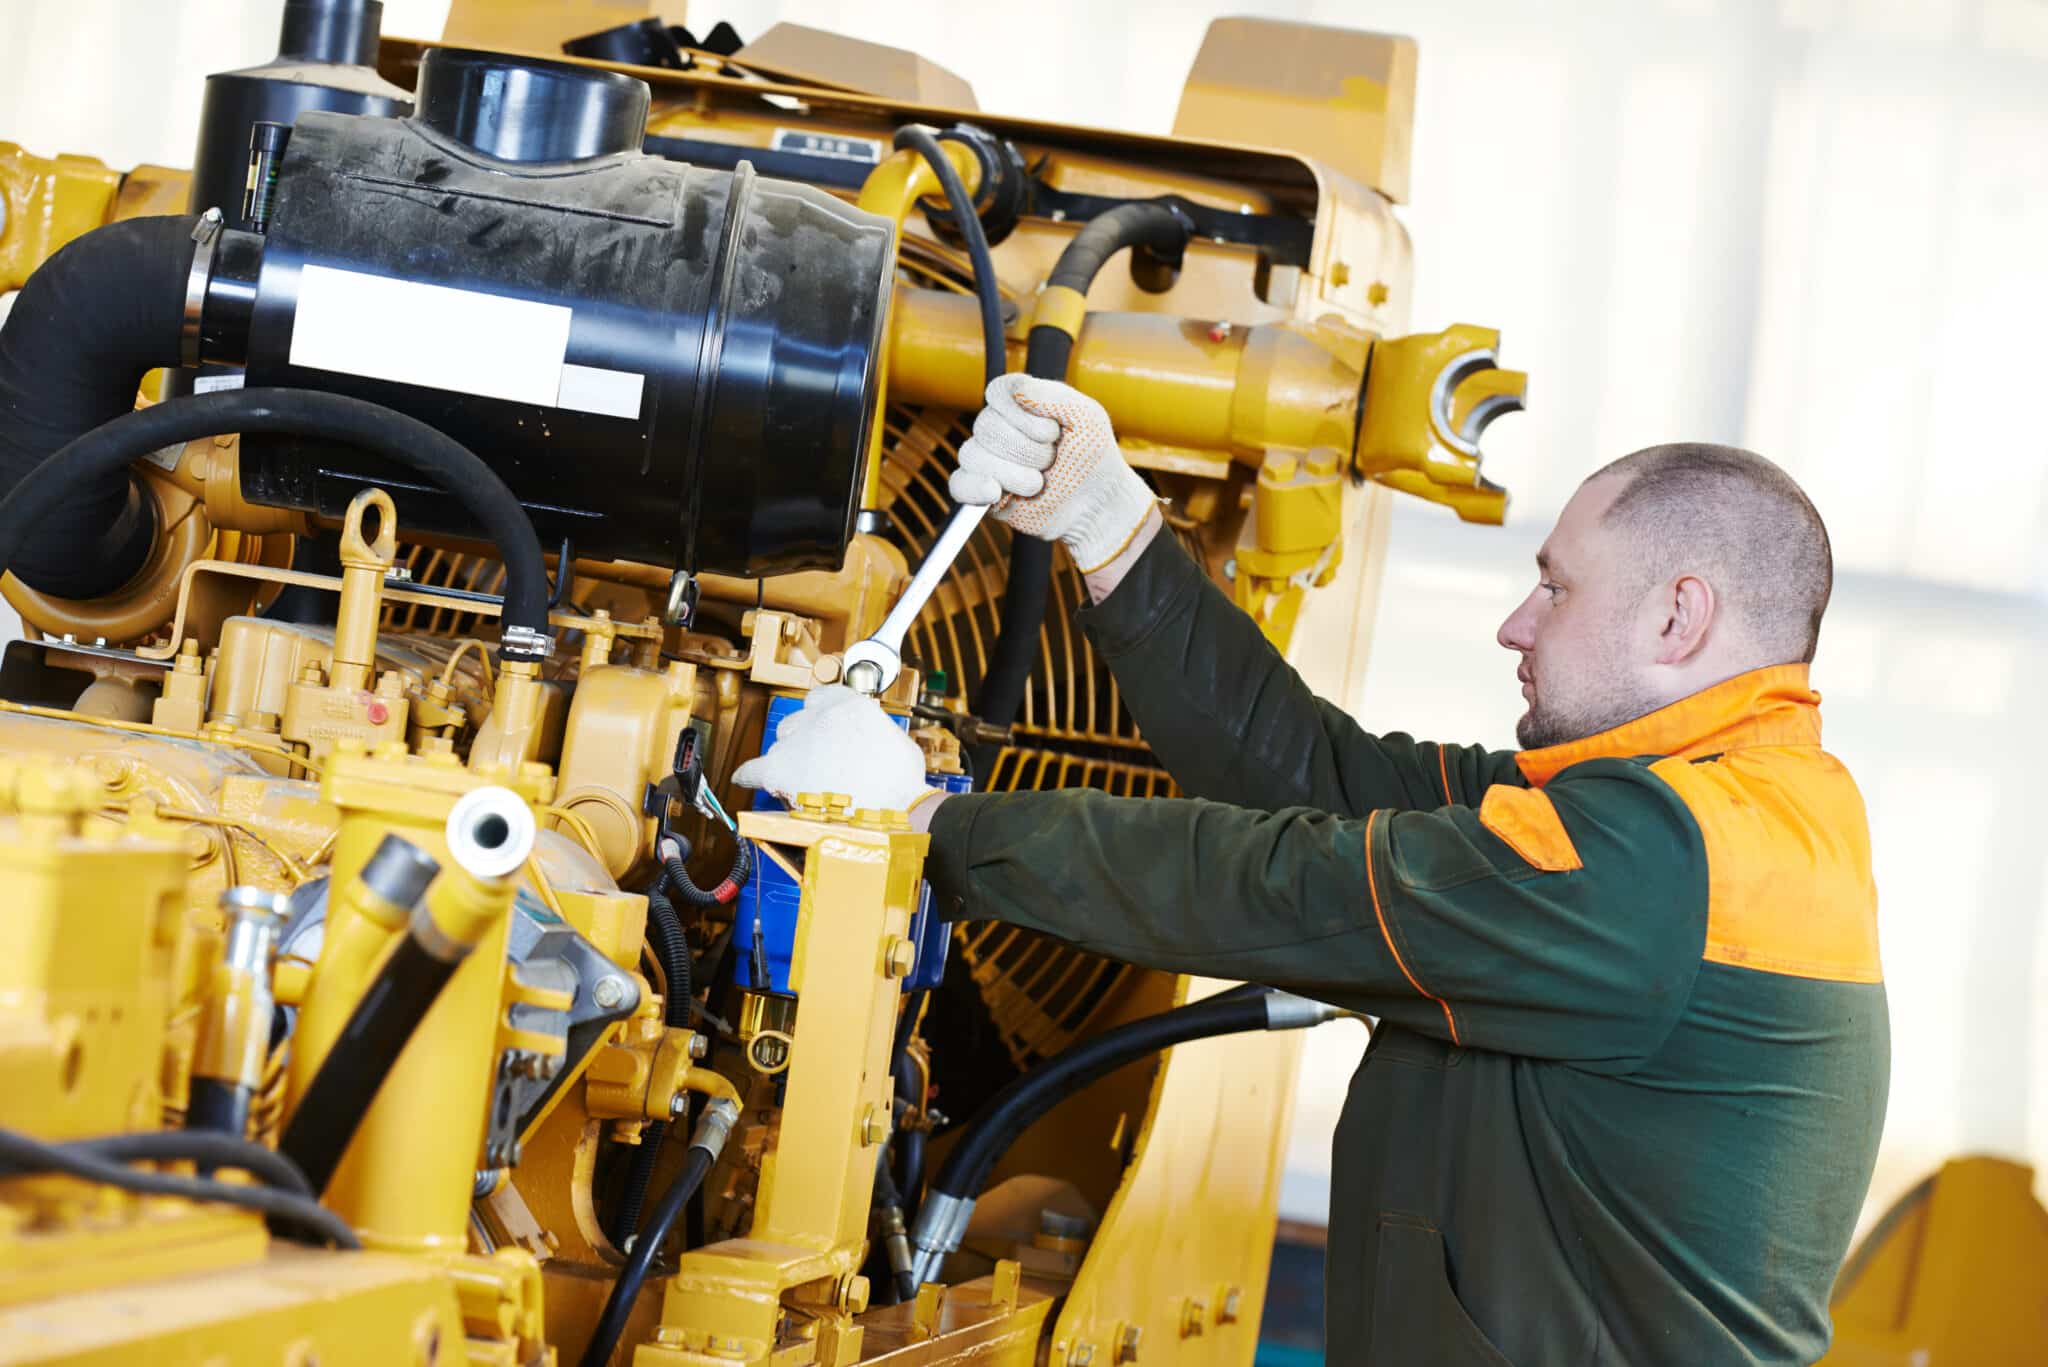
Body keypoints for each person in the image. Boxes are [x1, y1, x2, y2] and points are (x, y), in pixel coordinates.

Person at [736, 376, 1888, 1366]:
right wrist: (1106, 524)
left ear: (1677, 617)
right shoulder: (1650, 805)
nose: (1514, 624)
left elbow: (1287, 880)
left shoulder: (1664, 858)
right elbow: (1320, 778)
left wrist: (929, 822)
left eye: (1555, 585)